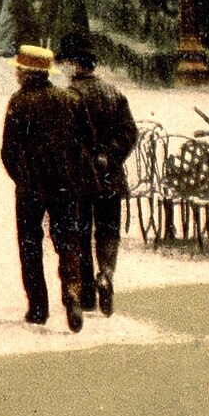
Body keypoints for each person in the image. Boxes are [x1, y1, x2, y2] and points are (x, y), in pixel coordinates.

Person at [1, 42, 92, 330]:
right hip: (65, 184)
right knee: (68, 242)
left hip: (31, 187)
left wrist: (22, 178)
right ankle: (72, 293)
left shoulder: (18, 103)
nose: (16, 75)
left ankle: (38, 307)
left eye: (20, 70)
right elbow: (86, 141)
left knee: (30, 245)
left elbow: (8, 151)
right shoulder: (70, 100)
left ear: (28, 74)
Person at [61, 35, 138, 316]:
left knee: (81, 232)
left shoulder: (69, 96)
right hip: (110, 176)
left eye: (67, 63)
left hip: (80, 178)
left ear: (76, 65)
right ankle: (106, 274)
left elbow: (67, 139)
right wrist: (110, 154)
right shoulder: (114, 93)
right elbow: (130, 133)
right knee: (108, 230)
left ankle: (86, 294)